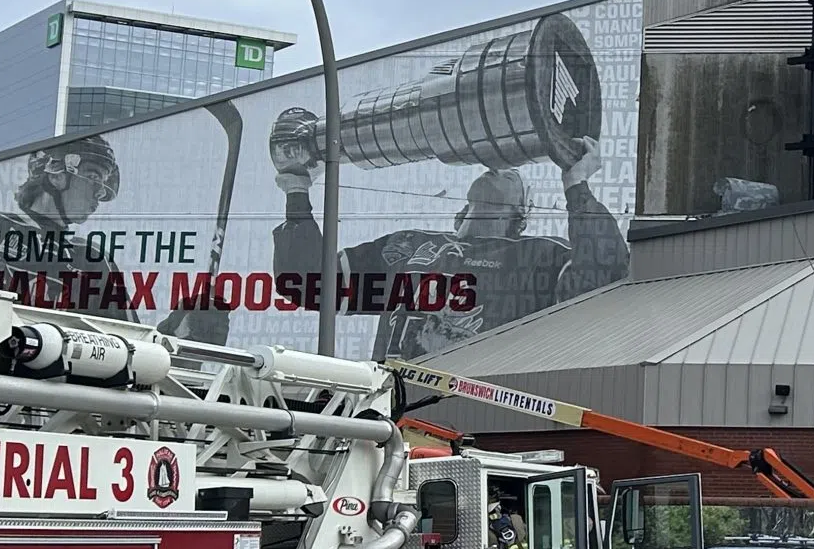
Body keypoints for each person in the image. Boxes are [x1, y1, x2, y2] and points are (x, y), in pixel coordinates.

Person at [269, 106, 631, 362]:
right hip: (389, 416)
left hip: (475, 416)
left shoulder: (542, 254)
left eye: (512, 174)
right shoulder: (407, 245)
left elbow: (605, 268)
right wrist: (296, 191)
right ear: (461, 211)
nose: (500, 167)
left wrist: (576, 183)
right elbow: (306, 283)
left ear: (521, 214)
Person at [0, 137, 134, 316]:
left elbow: (134, 342)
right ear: (56, 174)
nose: (99, 193)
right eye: (93, 177)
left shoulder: (94, 259)